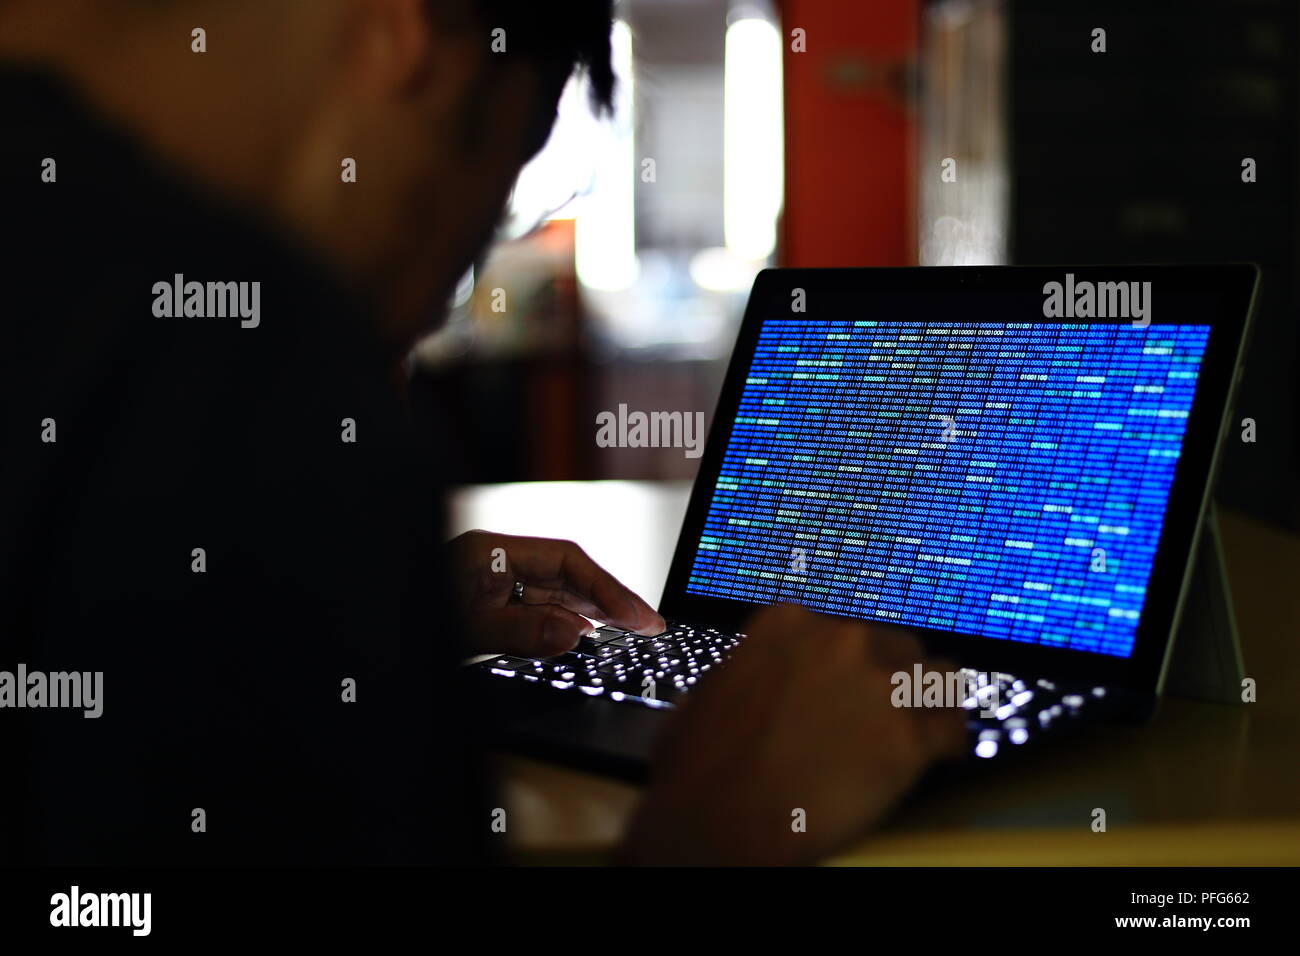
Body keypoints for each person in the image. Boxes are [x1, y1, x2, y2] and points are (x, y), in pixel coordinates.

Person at [0, 0, 963, 866]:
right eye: (488, 198)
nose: (429, 308)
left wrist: (377, 622)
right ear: (406, 38)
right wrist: (714, 835)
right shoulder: (234, 365)